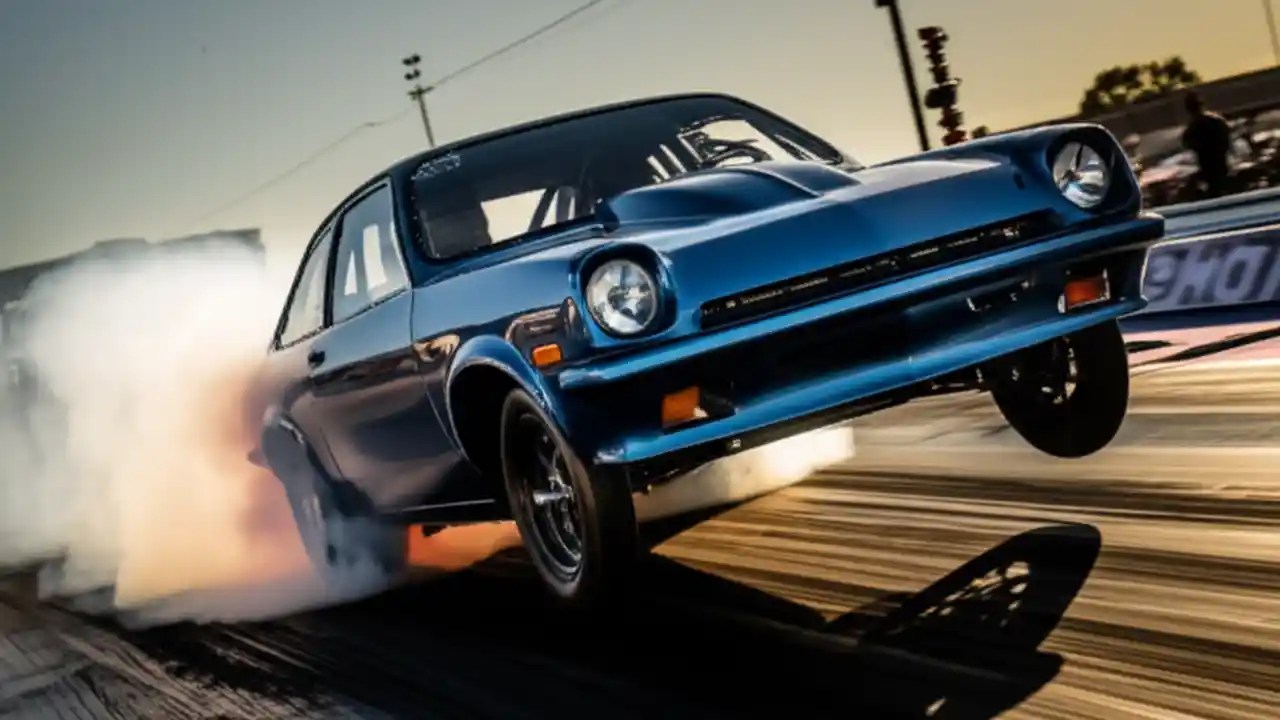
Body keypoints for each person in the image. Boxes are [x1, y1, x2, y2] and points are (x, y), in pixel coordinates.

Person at [1180, 92, 1232, 199]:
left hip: (1212, 166)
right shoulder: (1215, 121)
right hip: (1216, 165)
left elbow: (1188, 144)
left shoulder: (1195, 126)